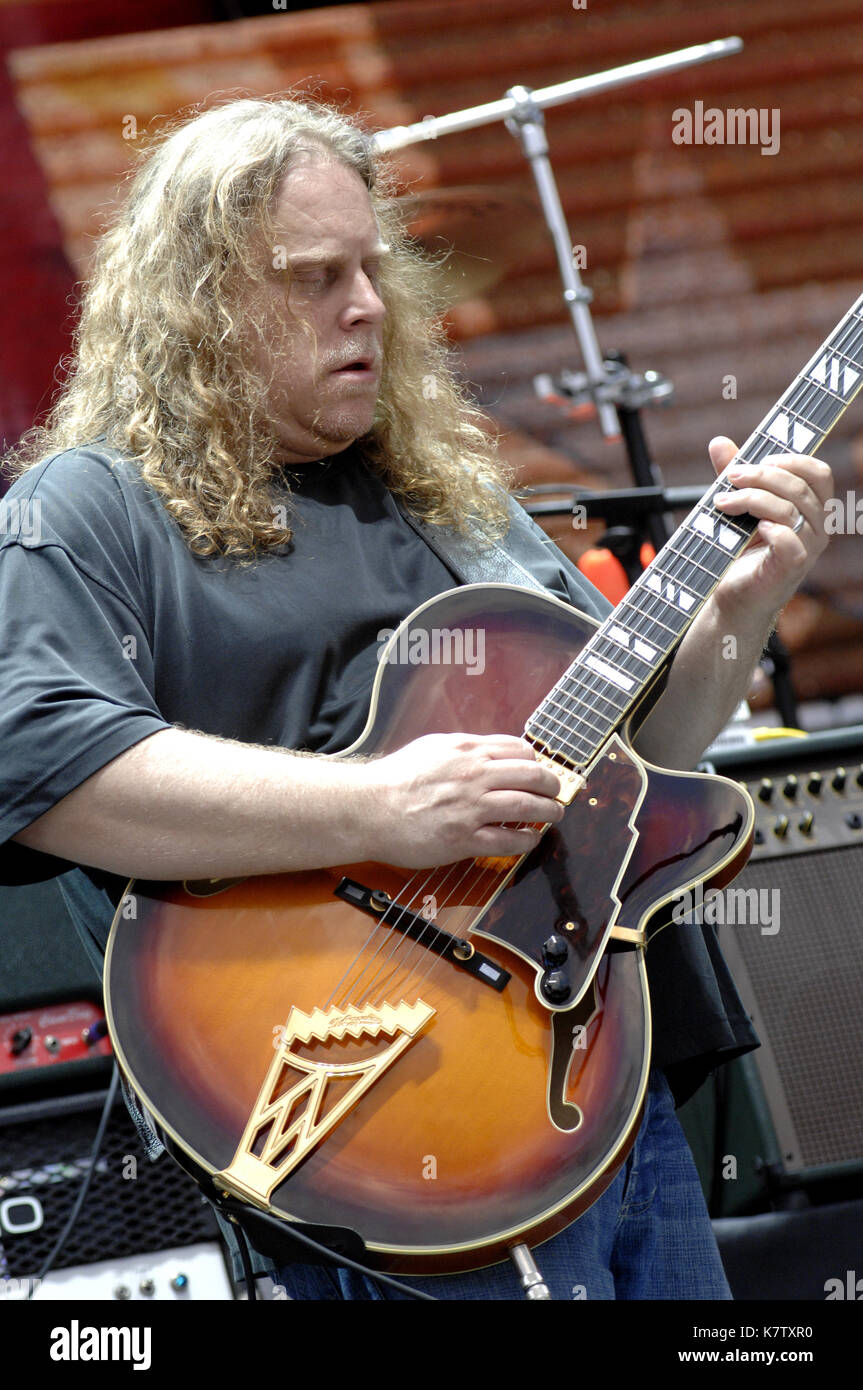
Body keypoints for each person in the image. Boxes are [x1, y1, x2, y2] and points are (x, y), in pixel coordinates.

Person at [0, 95, 834, 1300]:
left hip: (591, 1082)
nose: (367, 305)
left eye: (371, 268)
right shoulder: (89, 510)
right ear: (198, 301)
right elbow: (45, 767)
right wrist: (379, 806)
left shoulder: (442, 489)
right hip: (364, 1095)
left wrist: (741, 606)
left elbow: (639, 749)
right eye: (311, 276)